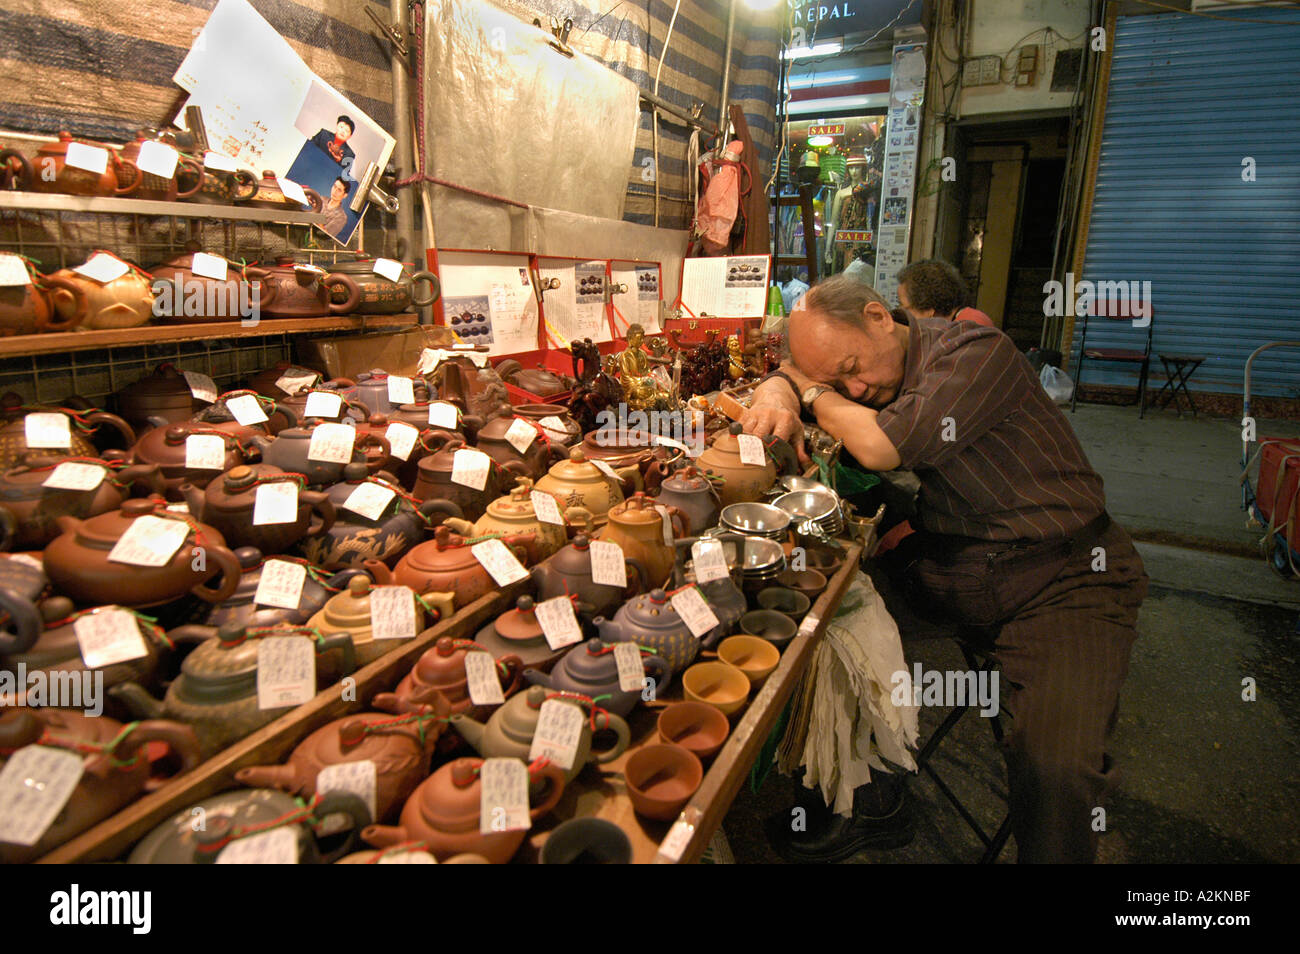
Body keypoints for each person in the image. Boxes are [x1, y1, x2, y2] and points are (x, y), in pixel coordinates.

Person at [741, 274, 1148, 863]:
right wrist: (779, 388)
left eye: (854, 368)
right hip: (959, 563)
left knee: (1055, 765)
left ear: (881, 316)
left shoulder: (975, 351)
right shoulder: (863, 364)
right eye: (836, 380)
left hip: (1066, 576)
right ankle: (874, 802)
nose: (855, 387)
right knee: (819, 618)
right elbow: (795, 365)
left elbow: (882, 446)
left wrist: (809, 392)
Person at [896, 258, 994, 326]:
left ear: (928, 311)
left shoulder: (967, 328)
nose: (902, 314)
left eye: (904, 307)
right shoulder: (967, 319)